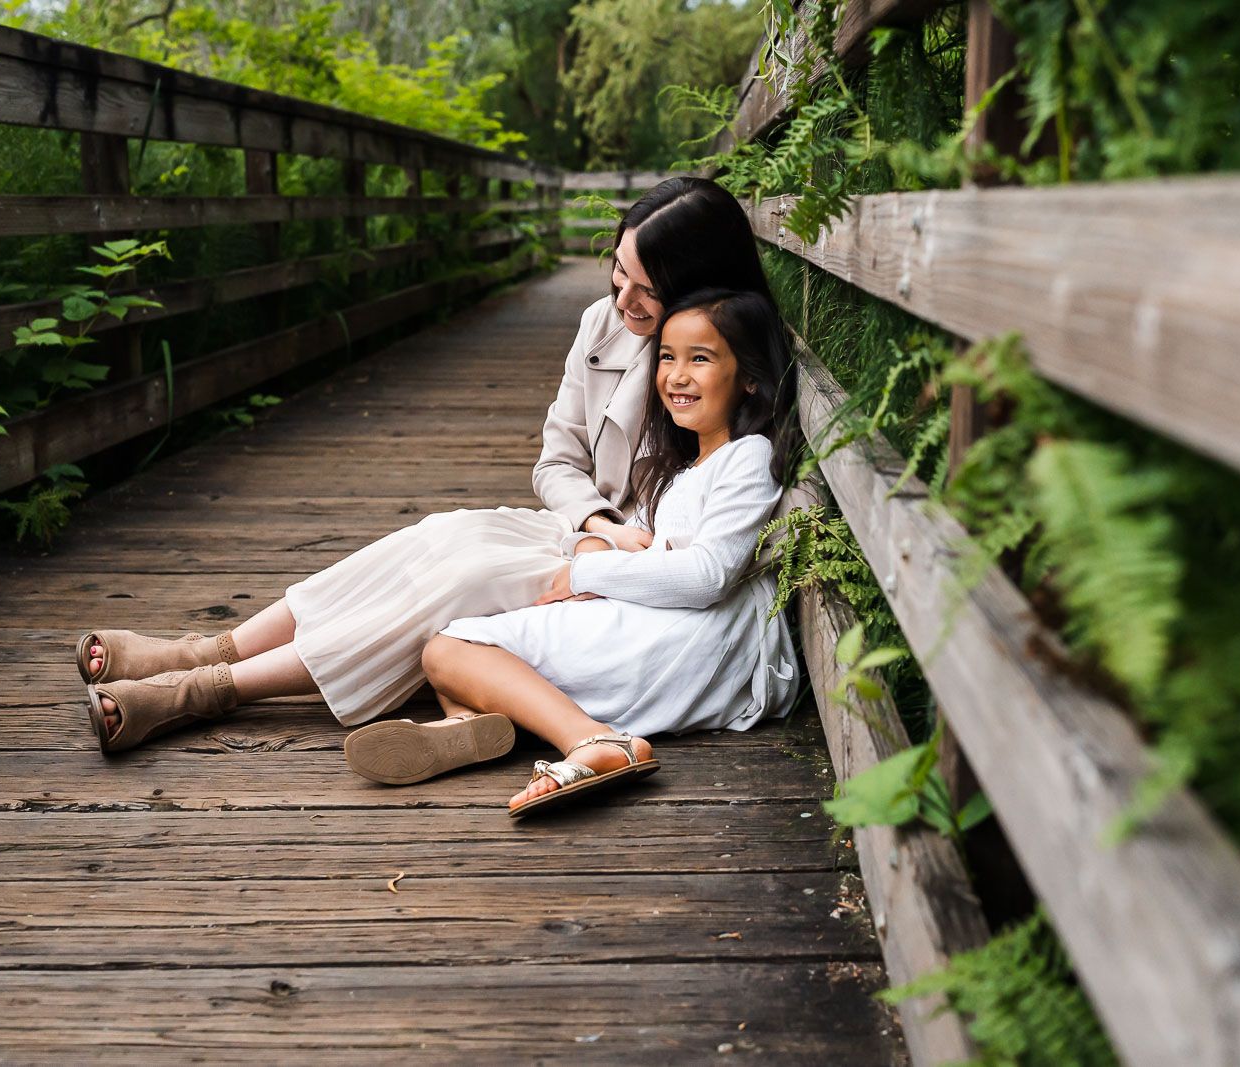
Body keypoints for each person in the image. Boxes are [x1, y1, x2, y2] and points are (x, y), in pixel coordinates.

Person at [77, 177, 775, 754]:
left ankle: (205, 692)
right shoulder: (604, 325)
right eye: (617, 271)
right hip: (583, 529)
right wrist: (595, 522)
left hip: (630, 567)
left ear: (693, 287)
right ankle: (207, 648)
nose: (623, 300)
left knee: (462, 578)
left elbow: (702, 522)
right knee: (438, 536)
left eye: (646, 289)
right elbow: (557, 459)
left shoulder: (709, 366)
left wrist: (617, 544)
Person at [344, 289, 801, 815]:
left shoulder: (748, 455)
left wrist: (585, 573)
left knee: (451, 649)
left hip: (696, 638)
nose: (677, 375)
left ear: (749, 376)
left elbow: (708, 577)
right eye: (668, 357)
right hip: (665, 622)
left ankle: (594, 741)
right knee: (467, 661)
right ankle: (470, 726)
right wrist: (587, 561)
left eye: (700, 359)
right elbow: (648, 552)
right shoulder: (683, 469)